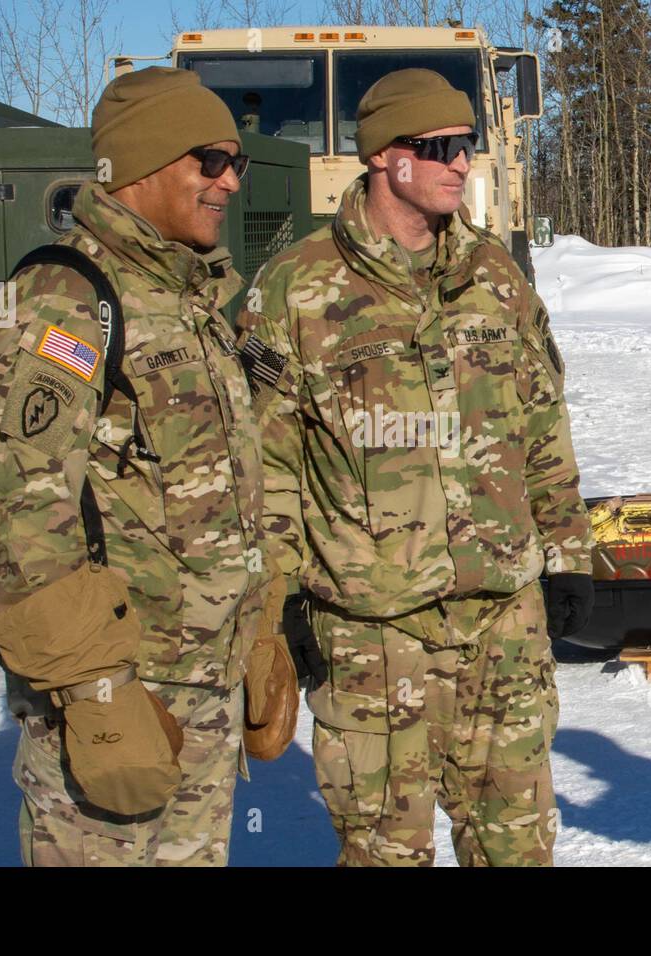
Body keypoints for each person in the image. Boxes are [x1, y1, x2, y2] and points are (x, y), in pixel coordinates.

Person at [237, 68, 595, 866]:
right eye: (439, 146)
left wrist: (568, 559)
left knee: (517, 849)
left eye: (466, 144)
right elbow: (268, 468)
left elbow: (542, 427)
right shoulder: (294, 291)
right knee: (382, 856)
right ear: (383, 158)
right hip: (373, 638)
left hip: (502, 626)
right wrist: (280, 601)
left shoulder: (497, 280)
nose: (461, 162)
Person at [0, 67, 270, 866]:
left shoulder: (188, 301)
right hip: (115, 701)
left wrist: (258, 631)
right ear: (143, 163)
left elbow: (219, 491)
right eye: (210, 160)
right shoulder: (67, 300)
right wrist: (96, 691)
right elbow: (16, 514)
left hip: (201, 695)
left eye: (234, 161)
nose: (230, 181)